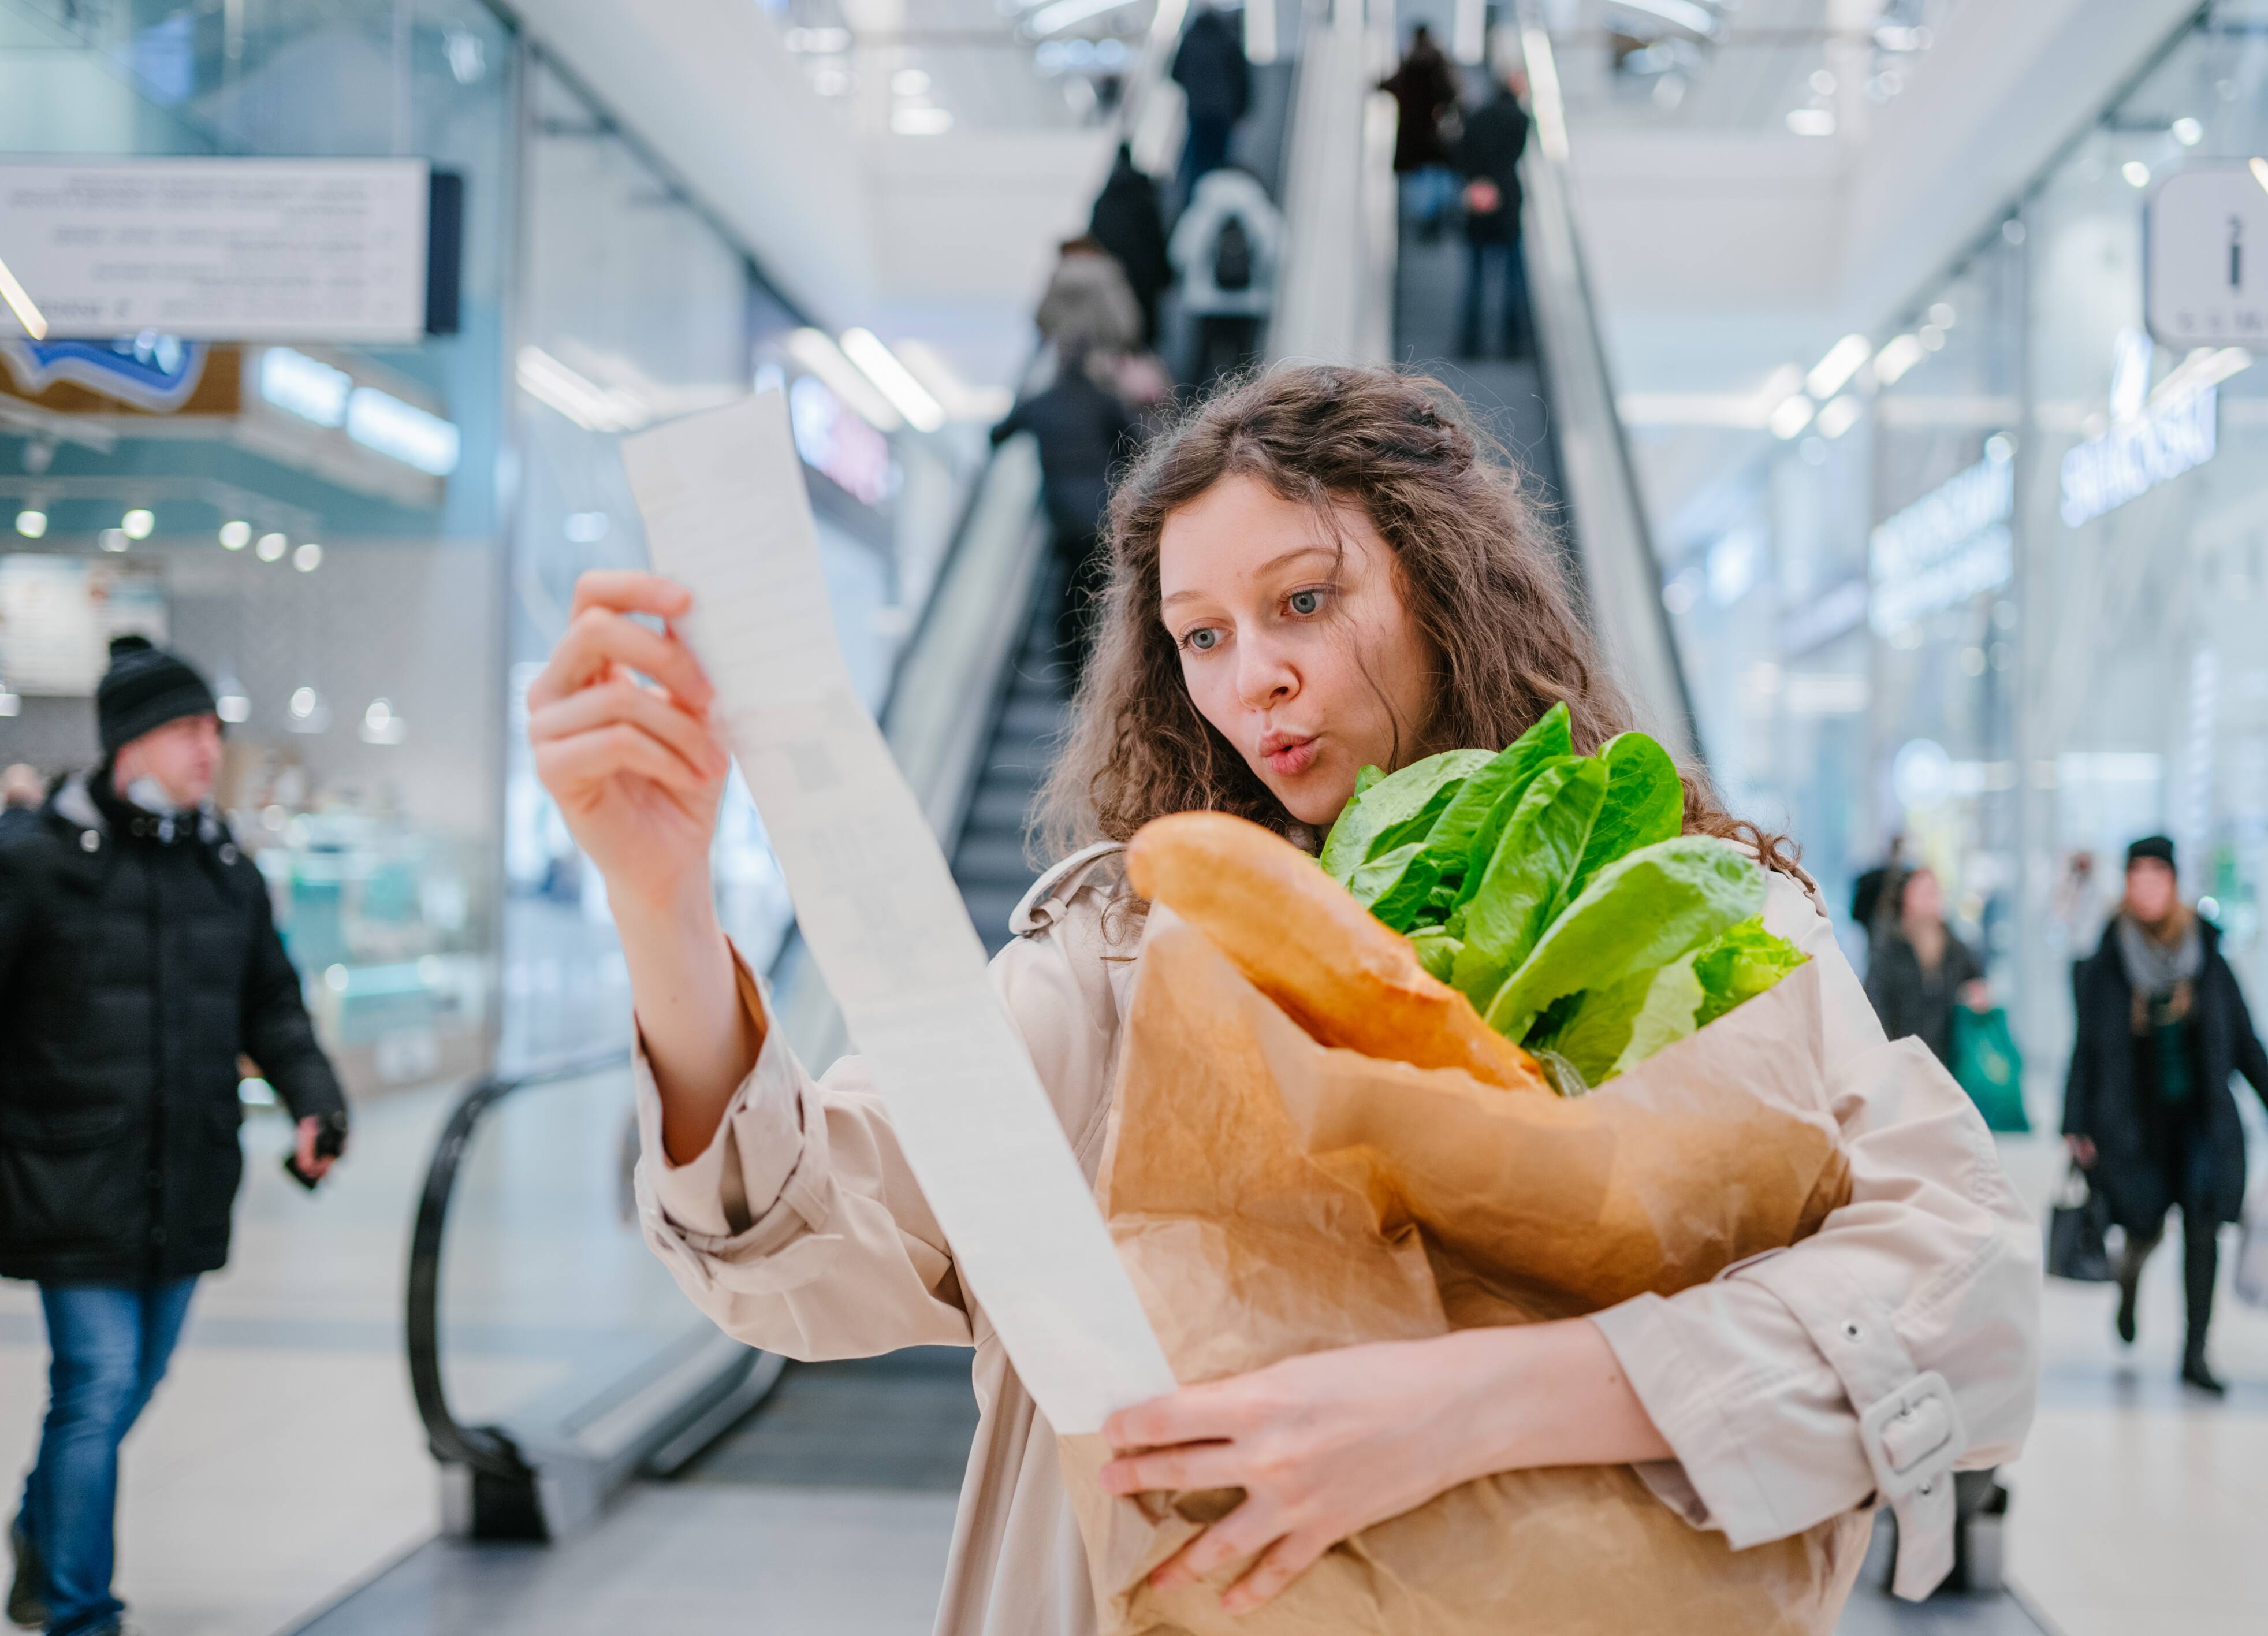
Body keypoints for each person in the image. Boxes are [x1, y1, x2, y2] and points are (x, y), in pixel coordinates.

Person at [527, 364, 2036, 1635]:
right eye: (1203, 636)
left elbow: (1959, 1289)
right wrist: (660, 901)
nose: (1254, 679)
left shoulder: (1691, 908)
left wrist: (1486, 1400)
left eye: (1303, 601)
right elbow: (805, 1233)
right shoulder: (1122, 961)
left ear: (1444, 585)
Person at [1, 635, 346, 1636]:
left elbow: (272, 1008)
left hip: (186, 1171)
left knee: (130, 1385)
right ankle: (79, 1613)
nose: (209, 751)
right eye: (189, 730)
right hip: (68, 1168)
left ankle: (40, 1530)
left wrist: (318, 1101)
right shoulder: (30, 861)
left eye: (214, 732)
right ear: (130, 741)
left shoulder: (223, 866)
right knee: (98, 1384)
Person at [2062, 835, 2268, 1396]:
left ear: (2172, 884)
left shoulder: (2207, 954)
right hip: (2131, 1122)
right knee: (2142, 1226)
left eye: (2156, 877)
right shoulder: (2106, 960)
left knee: (2202, 1229)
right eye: (2136, 878)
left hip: (2201, 1121)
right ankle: (2128, 1281)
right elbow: (2087, 1047)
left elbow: (2243, 1040)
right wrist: (2075, 1124)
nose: (2145, 889)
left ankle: (2196, 1352)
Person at [989, 347, 1139, 686]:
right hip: (1102, 515)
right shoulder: (1103, 401)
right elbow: (1139, 445)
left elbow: (997, 435)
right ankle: (1103, 668)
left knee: (1070, 590)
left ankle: (1069, 671)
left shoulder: (1041, 402)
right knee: (1101, 587)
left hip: (1063, 519)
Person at [1865, 867, 1988, 1069]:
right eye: (1923, 893)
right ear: (1905, 898)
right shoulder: (1889, 949)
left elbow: (1977, 980)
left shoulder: (1954, 948)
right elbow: (1875, 1004)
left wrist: (1978, 995)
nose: (1932, 899)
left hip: (1948, 1064)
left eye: (1935, 892)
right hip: (1902, 1063)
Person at [1169, 165, 1282, 386]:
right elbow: (1278, 253)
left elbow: (1179, 254)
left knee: (1201, 367)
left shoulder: (1202, 208)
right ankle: (1248, 416)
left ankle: (1194, 414)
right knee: (1246, 370)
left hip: (1205, 306)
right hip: (1250, 306)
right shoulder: (1262, 210)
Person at [1453, 73, 1532, 359]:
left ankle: (1469, 343)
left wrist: (1479, 182)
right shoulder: (1520, 119)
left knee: (1475, 277)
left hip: (1478, 200)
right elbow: (1513, 154)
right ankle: (1513, 343)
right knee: (1513, 277)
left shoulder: (1477, 117)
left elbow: (1462, 153)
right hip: (1508, 202)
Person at [1380, 25, 1462, 238]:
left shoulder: (1411, 65)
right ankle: (1437, 217)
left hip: (1414, 136)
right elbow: (1454, 93)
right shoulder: (1441, 64)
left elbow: (1393, 85)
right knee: (1436, 177)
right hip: (1437, 136)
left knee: (1420, 180)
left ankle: (1424, 221)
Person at [1089, 143, 1172, 351]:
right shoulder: (1144, 200)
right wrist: (1165, 275)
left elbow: (1094, 241)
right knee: (1142, 338)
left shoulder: (1103, 202)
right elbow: (1156, 242)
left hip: (1114, 279)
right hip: (1143, 280)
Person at [1170, 5, 1250, 204]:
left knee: (1196, 166)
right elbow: (1242, 79)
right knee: (1220, 165)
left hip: (1198, 113)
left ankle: (1193, 209)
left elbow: (1175, 73)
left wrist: (1195, 89)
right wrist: (1241, 110)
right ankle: (1214, 208)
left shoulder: (1191, 39)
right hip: (1223, 114)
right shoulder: (1227, 39)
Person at [1033, 236, 1143, 367]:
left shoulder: (1061, 274)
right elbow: (1125, 322)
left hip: (1065, 357)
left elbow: (1043, 318)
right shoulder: (1107, 272)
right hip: (1106, 358)